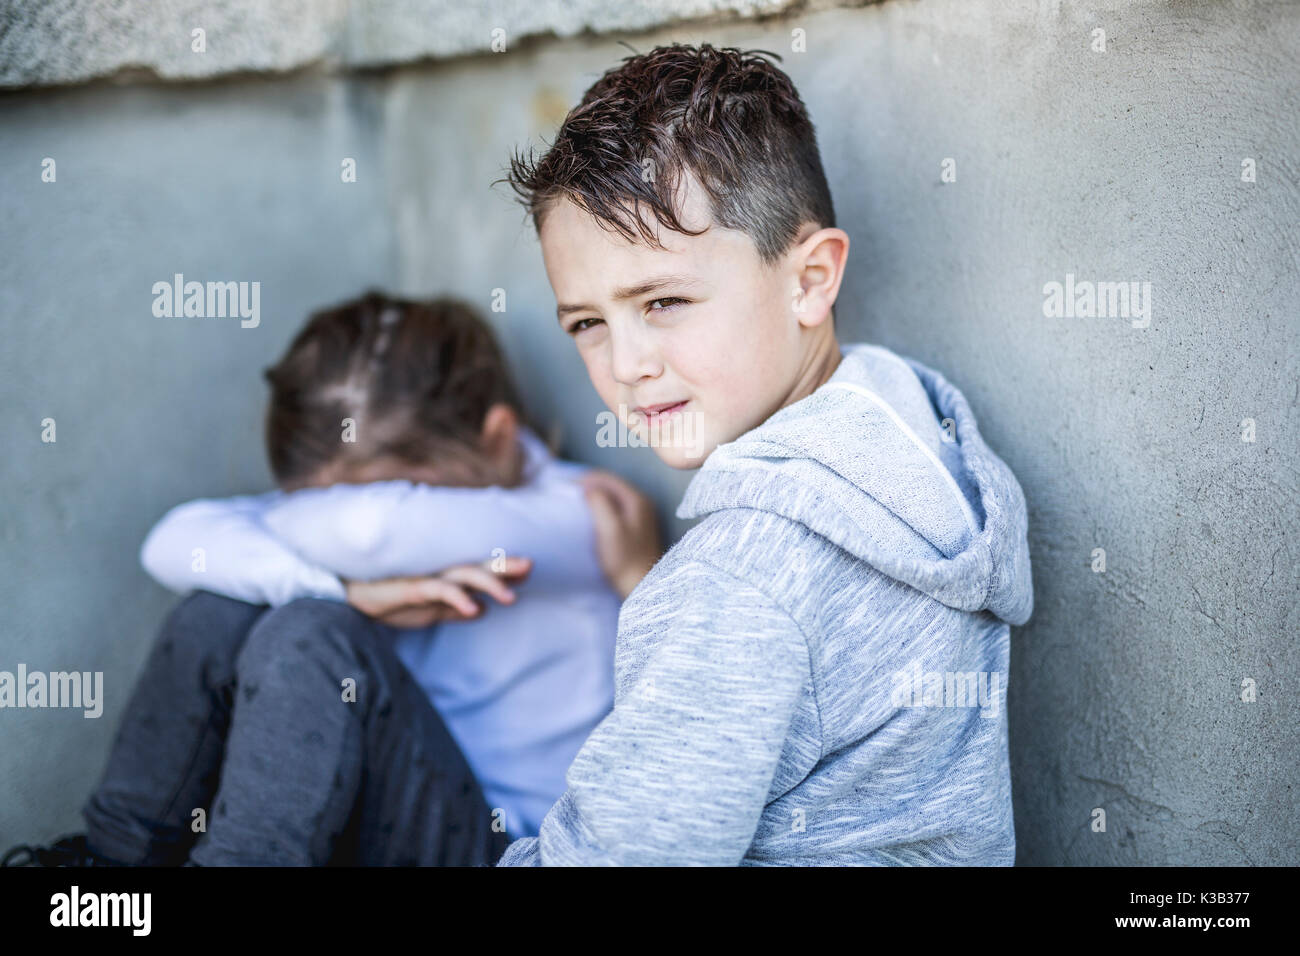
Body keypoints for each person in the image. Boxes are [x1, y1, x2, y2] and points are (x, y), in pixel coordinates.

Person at [489, 43, 1034, 865]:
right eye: (587, 323)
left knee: (315, 651)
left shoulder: (736, 581)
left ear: (811, 278)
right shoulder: (911, 443)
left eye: (663, 301)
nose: (625, 363)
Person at [1, 291, 660, 867]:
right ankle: (110, 872)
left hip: (501, 849)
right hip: (386, 812)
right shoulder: (460, 502)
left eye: (407, 490)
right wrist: (344, 590)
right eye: (311, 503)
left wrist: (325, 587)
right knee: (223, 608)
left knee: (310, 632)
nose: (324, 518)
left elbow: (365, 531)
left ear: (497, 439)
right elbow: (173, 540)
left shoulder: (583, 516)